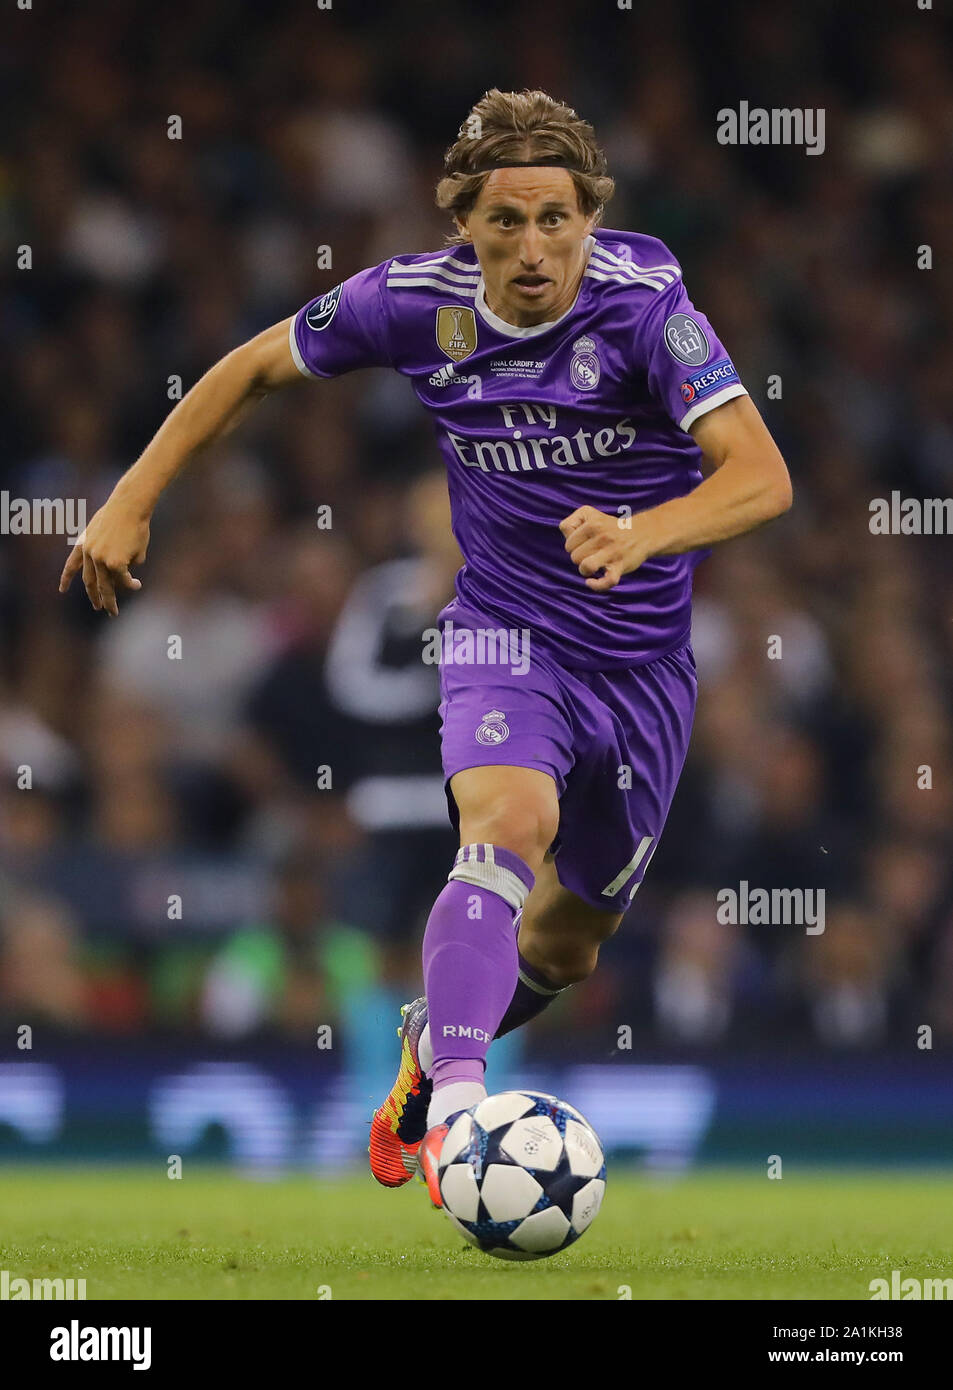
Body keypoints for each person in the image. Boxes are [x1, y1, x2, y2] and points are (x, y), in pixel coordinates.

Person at [60, 89, 791, 1205]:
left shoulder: (649, 312)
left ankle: (426, 1041)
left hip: (640, 666)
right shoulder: (409, 304)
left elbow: (759, 475)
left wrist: (646, 531)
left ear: (589, 216)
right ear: (464, 224)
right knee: (505, 825)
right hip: (503, 631)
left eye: (556, 218)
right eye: (506, 221)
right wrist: (131, 498)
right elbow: (252, 365)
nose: (534, 247)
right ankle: (457, 1106)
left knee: (571, 938)